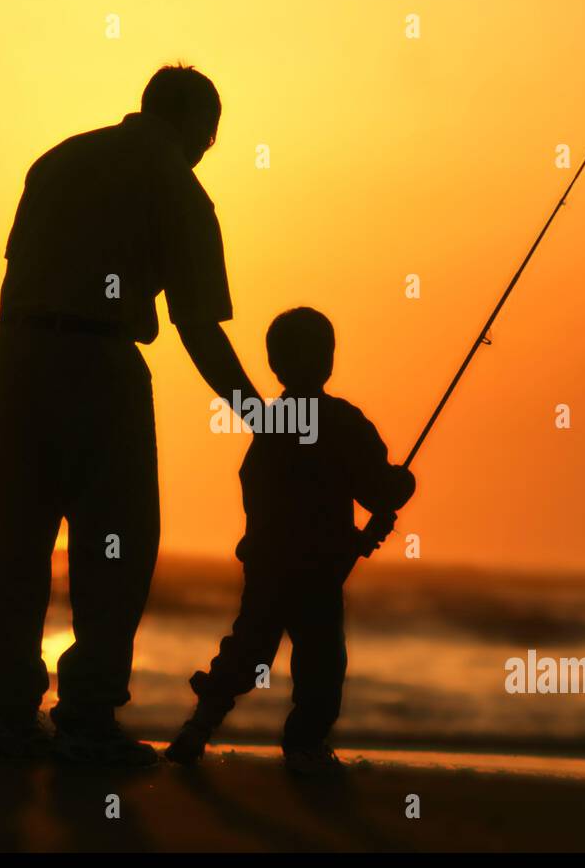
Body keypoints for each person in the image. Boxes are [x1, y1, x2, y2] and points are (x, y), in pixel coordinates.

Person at [0, 66, 261, 763]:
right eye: (208, 137)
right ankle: (86, 714)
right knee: (117, 547)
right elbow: (196, 323)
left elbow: (19, 268)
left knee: (17, 547)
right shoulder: (181, 188)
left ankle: (9, 715)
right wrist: (262, 417)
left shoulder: (59, 159)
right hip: (101, 368)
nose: (205, 149)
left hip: (16, 356)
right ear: (200, 126)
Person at [165, 307, 416, 775]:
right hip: (319, 573)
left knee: (248, 647)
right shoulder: (343, 421)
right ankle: (305, 745)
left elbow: (255, 489)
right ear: (329, 360)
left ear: (274, 364)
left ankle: (199, 726)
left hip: (266, 564)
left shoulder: (269, 425)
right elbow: (377, 488)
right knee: (321, 660)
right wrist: (403, 485)